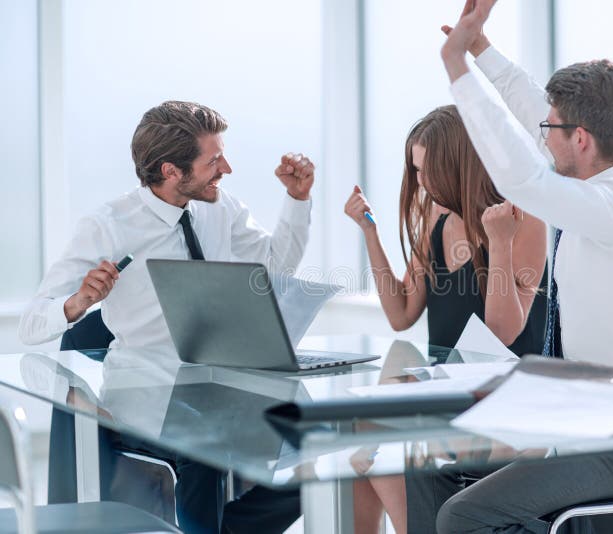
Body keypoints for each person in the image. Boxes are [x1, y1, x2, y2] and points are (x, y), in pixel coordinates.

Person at [417, 1, 613, 532]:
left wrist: (457, 68)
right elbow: (532, 107)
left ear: (580, 139)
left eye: (551, 128)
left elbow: (524, 181)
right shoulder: (597, 190)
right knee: (432, 465)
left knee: (464, 515)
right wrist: (481, 50)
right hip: (584, 419)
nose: (541, 134)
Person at [19, 100, 314, 533]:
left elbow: (276, 265)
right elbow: (30, 324)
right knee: (205, 449)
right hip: (144, 397)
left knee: (320, 442)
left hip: (223, 390)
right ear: (171, 170)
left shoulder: (221, 207)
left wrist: (297, 199)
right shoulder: (109, 225)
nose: (227, 168)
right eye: (213, 161)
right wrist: (77, 302)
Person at [343, 105, 547, 534]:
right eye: (416, 171)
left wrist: (499, 243)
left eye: (428, 171)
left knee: (369, 442)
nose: (421, 183)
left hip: (508, 403)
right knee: (361, 441)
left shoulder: (522, 219)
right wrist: (370, 233)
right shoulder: (436, 218)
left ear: (459, 165)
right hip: (451, 393)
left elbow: (503, 331)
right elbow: (401, 315)